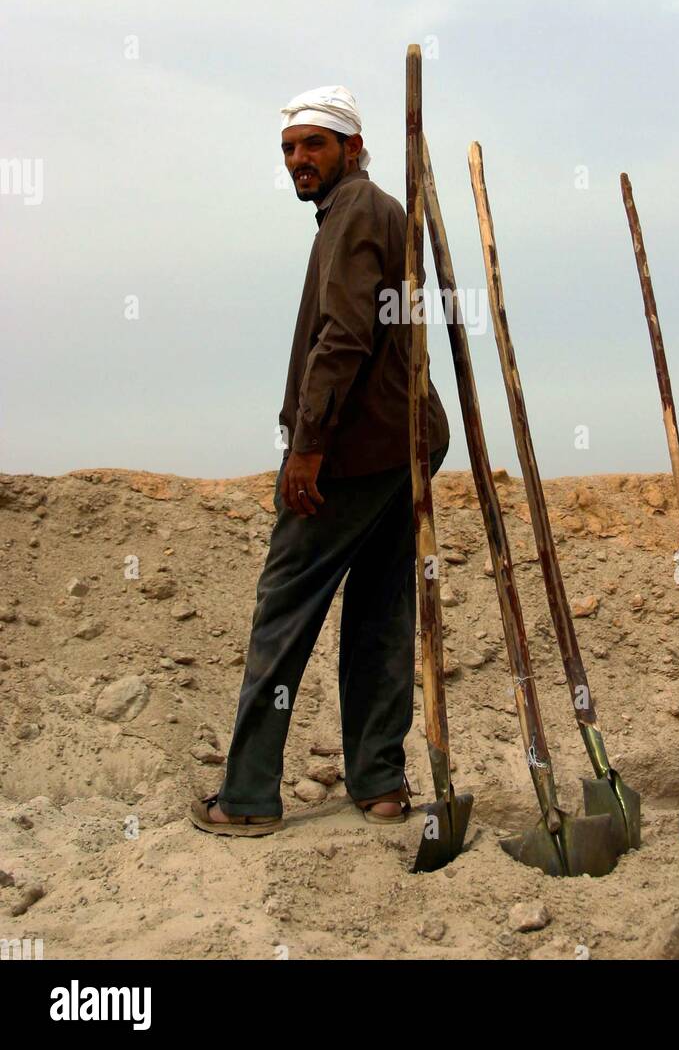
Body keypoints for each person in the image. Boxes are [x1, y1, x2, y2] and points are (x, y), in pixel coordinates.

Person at [190, 86, 449, 836]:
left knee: (285, 614)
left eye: (314, 145)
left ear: (351, 148)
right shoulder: (372, 212)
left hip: (351, 452)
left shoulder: (357, 211)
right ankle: (379, 785)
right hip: (401, 445)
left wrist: (307, 445)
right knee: (379, 611)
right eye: (289, 149)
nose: (298, 159)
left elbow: (342, 335)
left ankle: (245, 797)